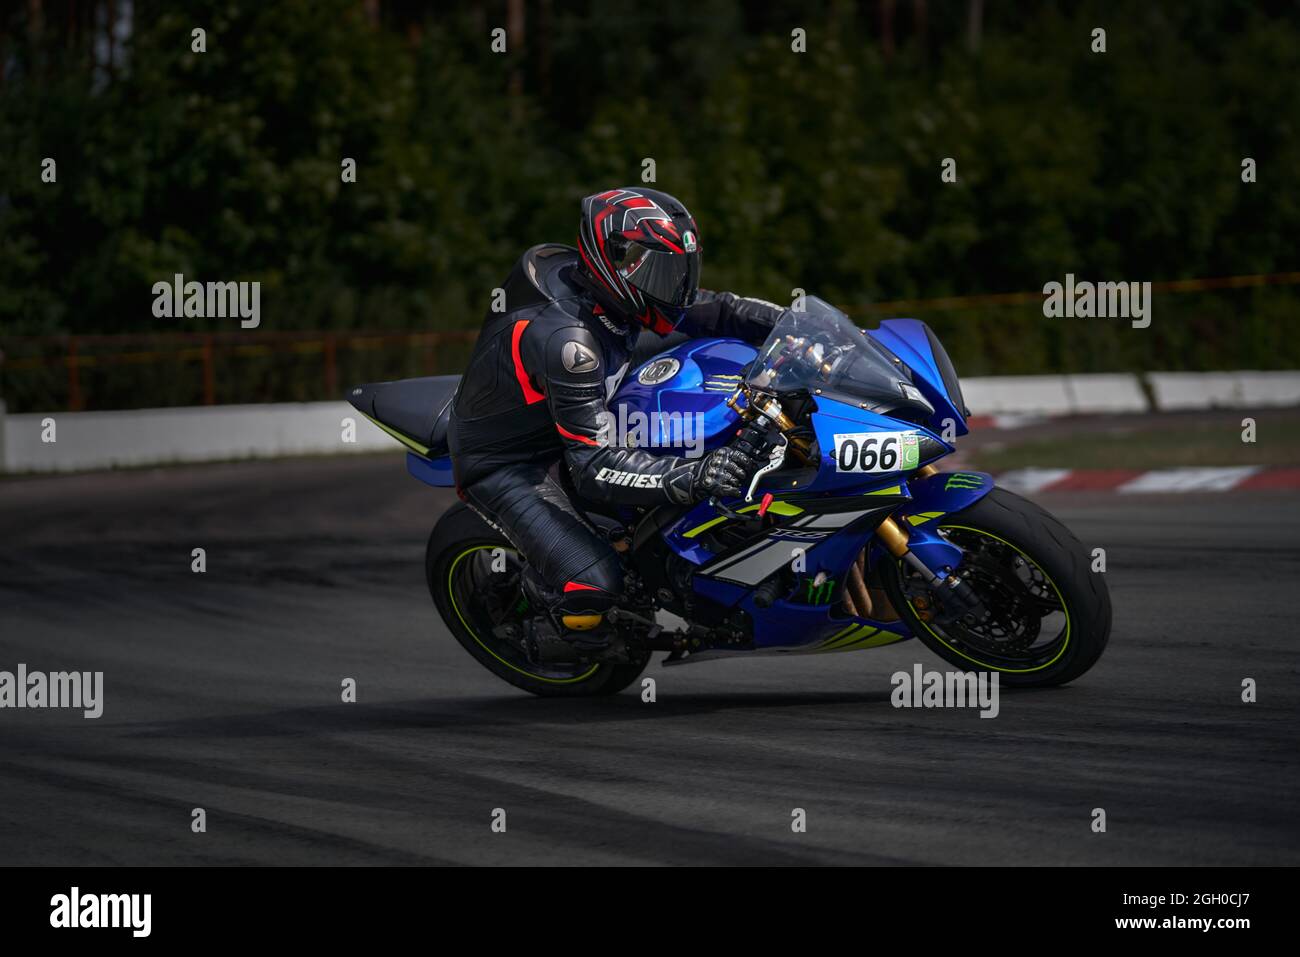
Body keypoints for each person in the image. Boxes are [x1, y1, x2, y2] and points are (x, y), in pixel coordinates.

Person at [447, 187, 784, 645]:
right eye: (662, 273)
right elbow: (592, 467)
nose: (677, 287)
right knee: (595, 591)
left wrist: (806, 330)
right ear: (617, 261)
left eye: (680, 270)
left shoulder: (610, 294)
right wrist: (696, 475)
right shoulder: (569, 344)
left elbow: (719, 309)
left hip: (584, 392)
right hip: (513, 459)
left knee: (724, 355)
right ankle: (536, 595)